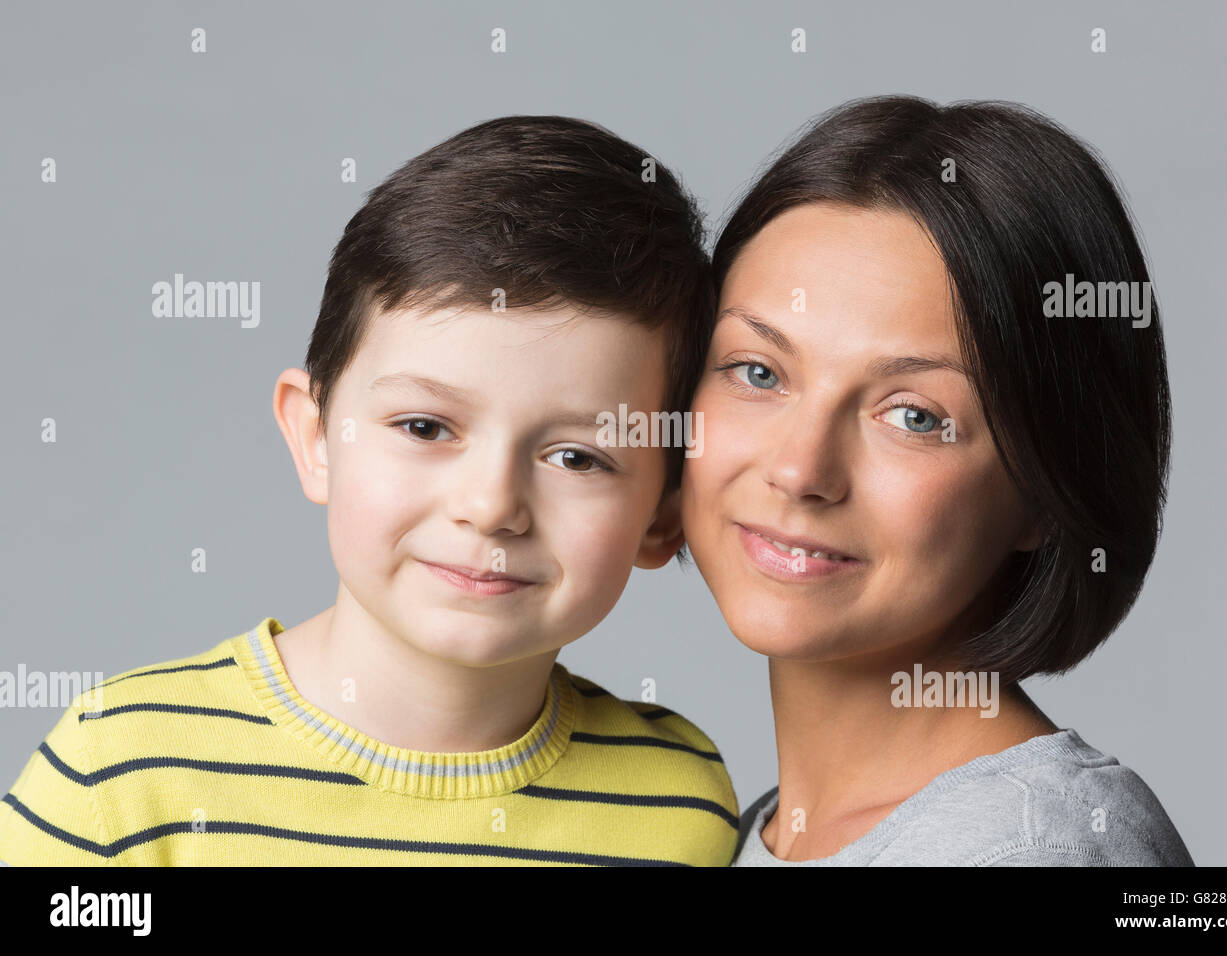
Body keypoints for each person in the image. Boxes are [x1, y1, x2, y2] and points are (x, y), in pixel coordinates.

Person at [0, 116, 738, 866]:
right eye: (424, 427)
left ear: (664, 518)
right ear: (316, 437)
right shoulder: (122, 771)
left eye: (578, 457)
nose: (489, 506)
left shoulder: (680, 802)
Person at [678, 95, 1194, 865]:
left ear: (1044, 491)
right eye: (758, 371)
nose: (799, 469)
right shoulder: (762, 830)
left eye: (914, 416)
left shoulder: (1024, 849)